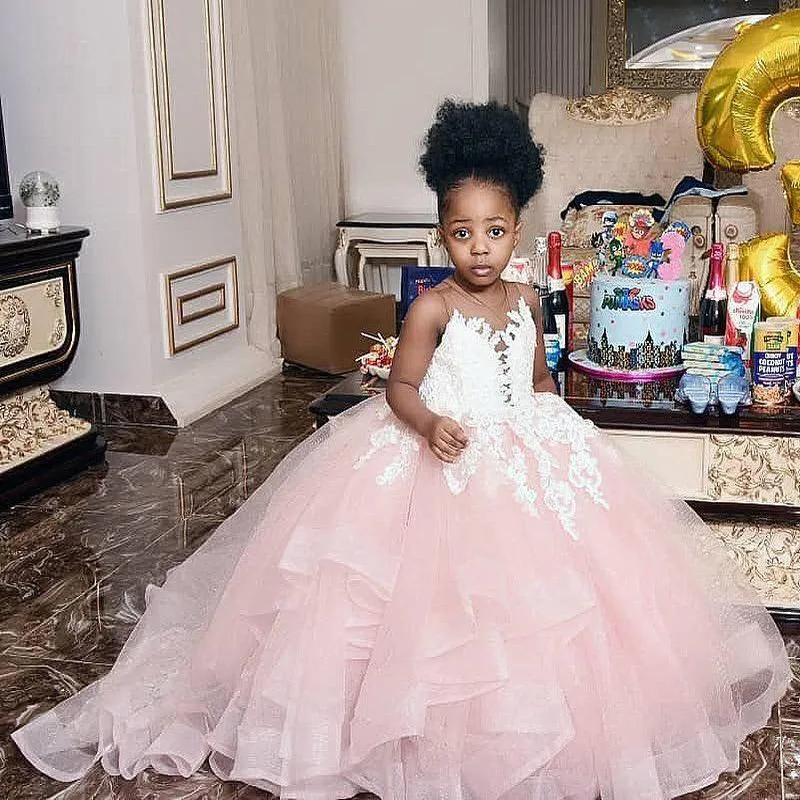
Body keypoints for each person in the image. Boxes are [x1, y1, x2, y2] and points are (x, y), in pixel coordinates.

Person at [12, 100, 789, 800]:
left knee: (564, 594)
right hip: (441, 448)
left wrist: (556, 429)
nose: (478, 249)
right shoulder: (432, 308)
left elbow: (537, 376)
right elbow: (401, 389)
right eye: (462, 233)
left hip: (526, 448)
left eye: (493, 232)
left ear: (516, 231)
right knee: (415, 600)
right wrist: (428, 424)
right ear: (442, 234)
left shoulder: (528, 299)